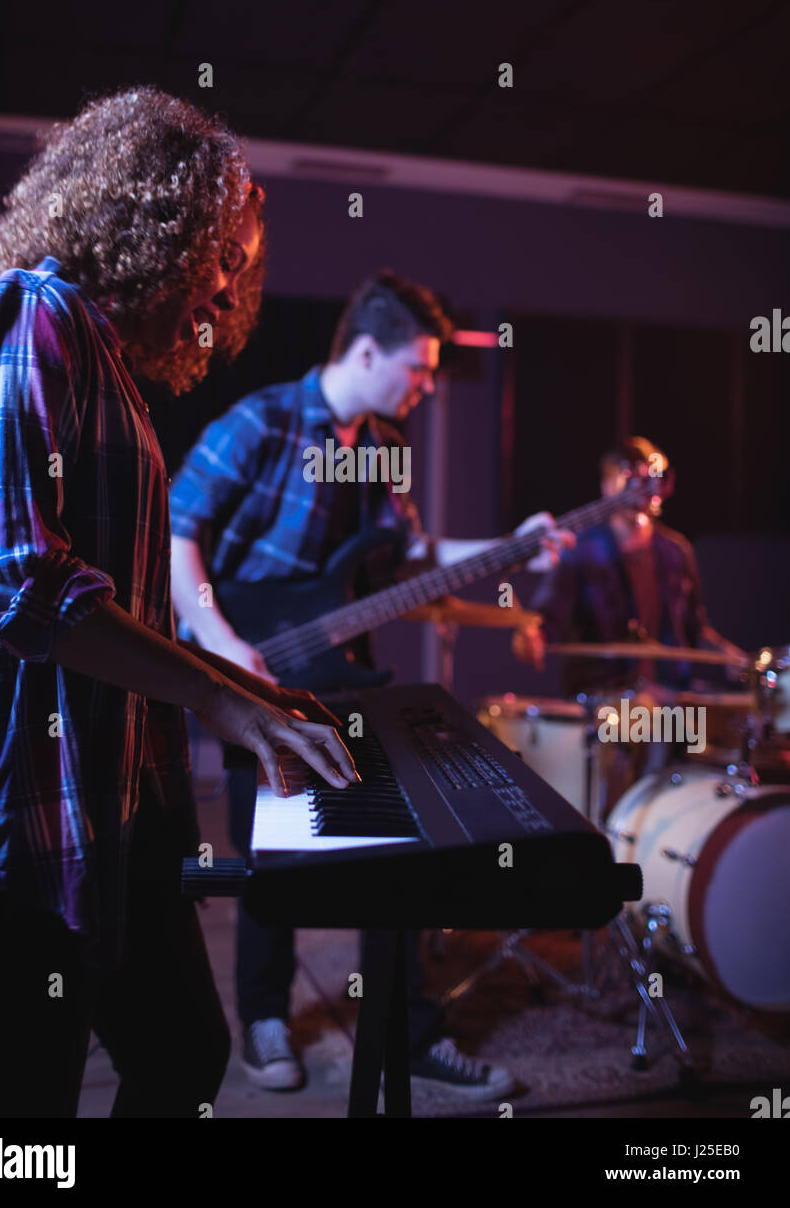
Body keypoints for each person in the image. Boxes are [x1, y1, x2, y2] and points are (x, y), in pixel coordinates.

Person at [0, 87, 355, 1119]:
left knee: (180, 1056)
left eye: (239, 260)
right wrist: (226, 704)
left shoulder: (109, 366)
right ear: (155, 222)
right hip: (14, 824)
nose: (228, 277)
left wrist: (242, 691)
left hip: (113, 808)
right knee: (18, 1113)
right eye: (221, 248)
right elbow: (11, 580)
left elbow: (121, 616)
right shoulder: (31, 317)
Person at [170, 271, 567, 1098]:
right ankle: (265, 1021)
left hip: (342, 674)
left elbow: (414, 559)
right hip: (249, 663)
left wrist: (513, 545)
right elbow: (178, 531)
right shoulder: (263, 419)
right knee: (272, 850)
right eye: (417, 369)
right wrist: (223, 641)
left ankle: (413, 1032)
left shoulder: (382, 441)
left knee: (400, 843)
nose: (425, 386)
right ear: (363, 350)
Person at [513, 437, 745, 781]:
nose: (645, 487)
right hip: (605, 702)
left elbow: (695, 630)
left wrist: (735, 659)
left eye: (653, 476)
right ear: (609, 486)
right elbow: (544, 620)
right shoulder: (581, 551)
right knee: (653, 717)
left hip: (670, 696)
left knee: (733, 717)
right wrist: (530, 636)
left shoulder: (676, 552)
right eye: (633, 479)